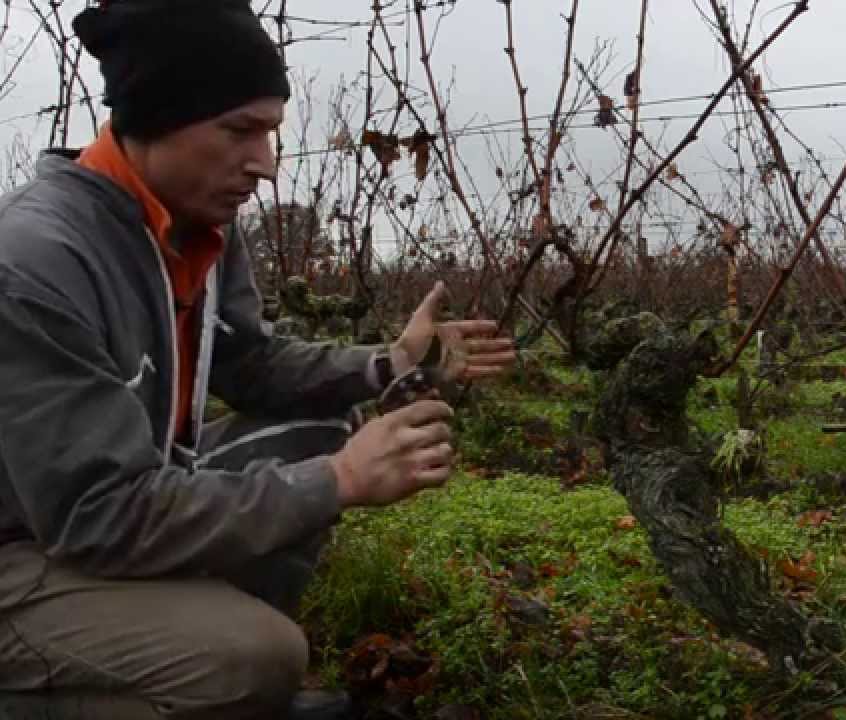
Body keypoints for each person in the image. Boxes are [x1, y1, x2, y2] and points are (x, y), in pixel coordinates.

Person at [0, 1, 517, 718]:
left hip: (101, 507)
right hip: (25, 547)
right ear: (156, 117)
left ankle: (203, 677)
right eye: (241, 130)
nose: (266, 165)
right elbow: (95, 513)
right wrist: (336, 481)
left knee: (320, 431)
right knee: (254, 655)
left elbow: (250, 364)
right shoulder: (38, 258)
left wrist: (389, 362)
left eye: (271, 131)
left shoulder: (195, 222)